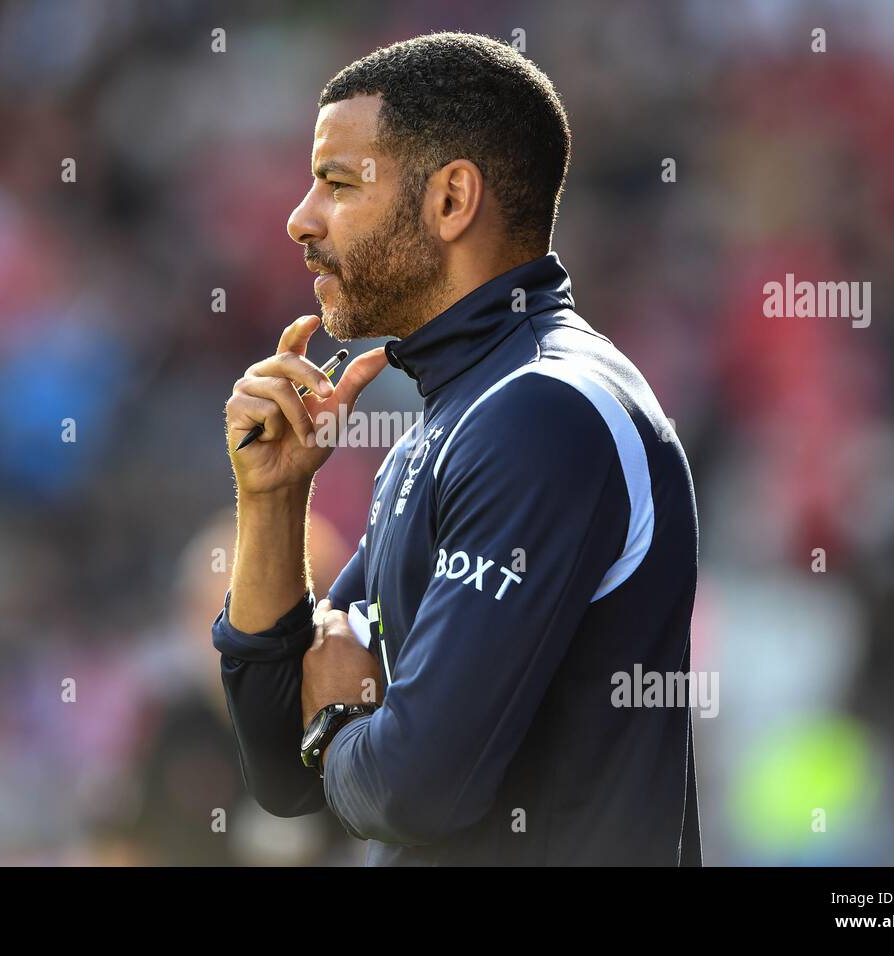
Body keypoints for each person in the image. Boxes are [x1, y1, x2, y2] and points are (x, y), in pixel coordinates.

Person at [212, 31, 700, 865]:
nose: (301, 218)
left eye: (336, 183)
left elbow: (416, 786)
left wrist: (334, 728)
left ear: (451, 201)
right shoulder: (452, 423)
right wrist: (272, 501)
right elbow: (282, 777)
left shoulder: (544, 414)